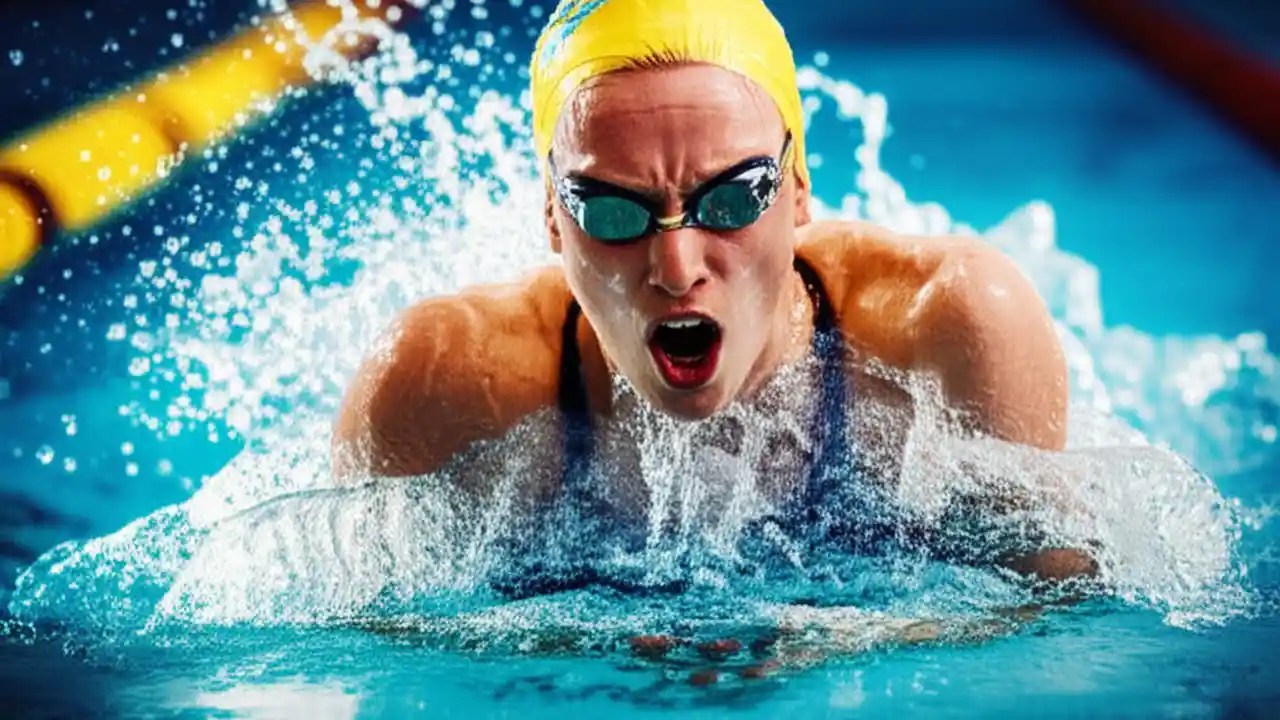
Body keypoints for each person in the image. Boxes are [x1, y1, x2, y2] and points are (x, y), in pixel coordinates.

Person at [333, 0, 1095, 581]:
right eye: (611, 210)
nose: (675, 267)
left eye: (731, 199)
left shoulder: (949, 331)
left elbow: (1051, 614)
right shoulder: (441, 388)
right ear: (552, 219)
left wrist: (837, 646)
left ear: (797, 188)